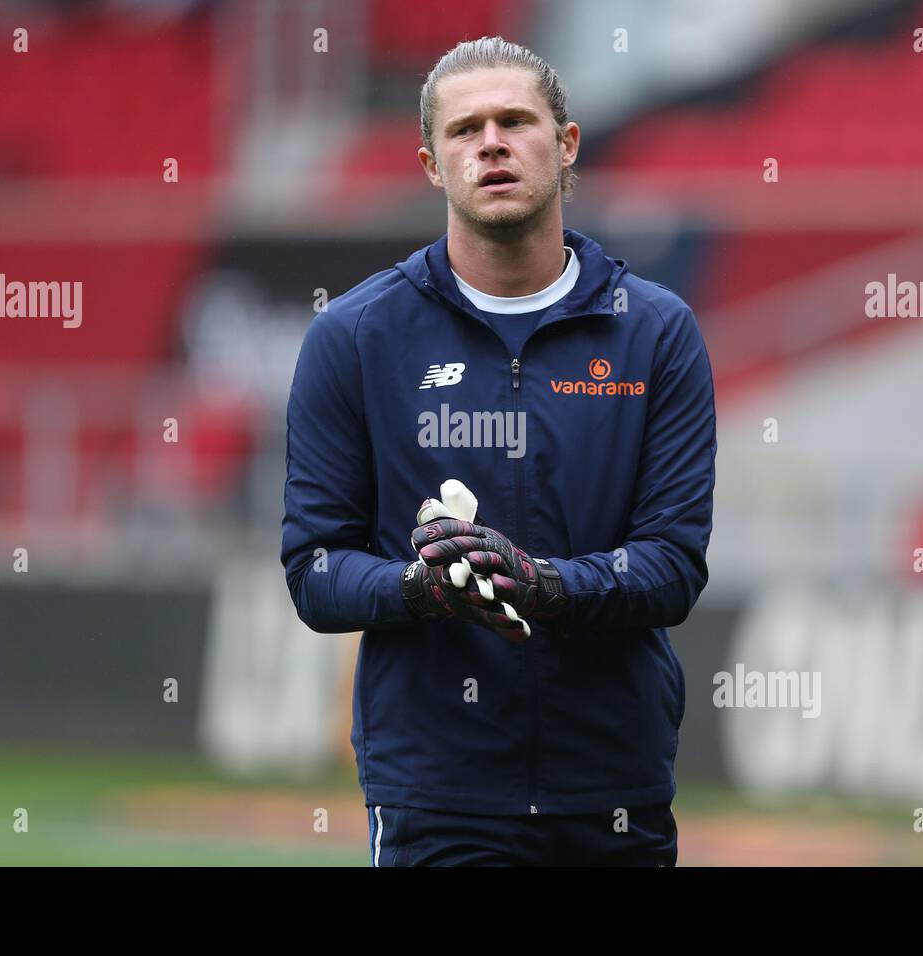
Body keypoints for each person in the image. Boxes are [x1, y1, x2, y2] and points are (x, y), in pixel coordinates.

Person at [281, 36, 716, 866]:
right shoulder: (354, 338)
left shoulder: (656, 332)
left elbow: (673, 563)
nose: (492, 143)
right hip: (437, 796)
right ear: (430, 164)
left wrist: (550, 585)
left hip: (613, 790)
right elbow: (316, 569)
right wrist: (421, 586)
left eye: (516, 121)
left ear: (567, 144)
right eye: (465, 129)